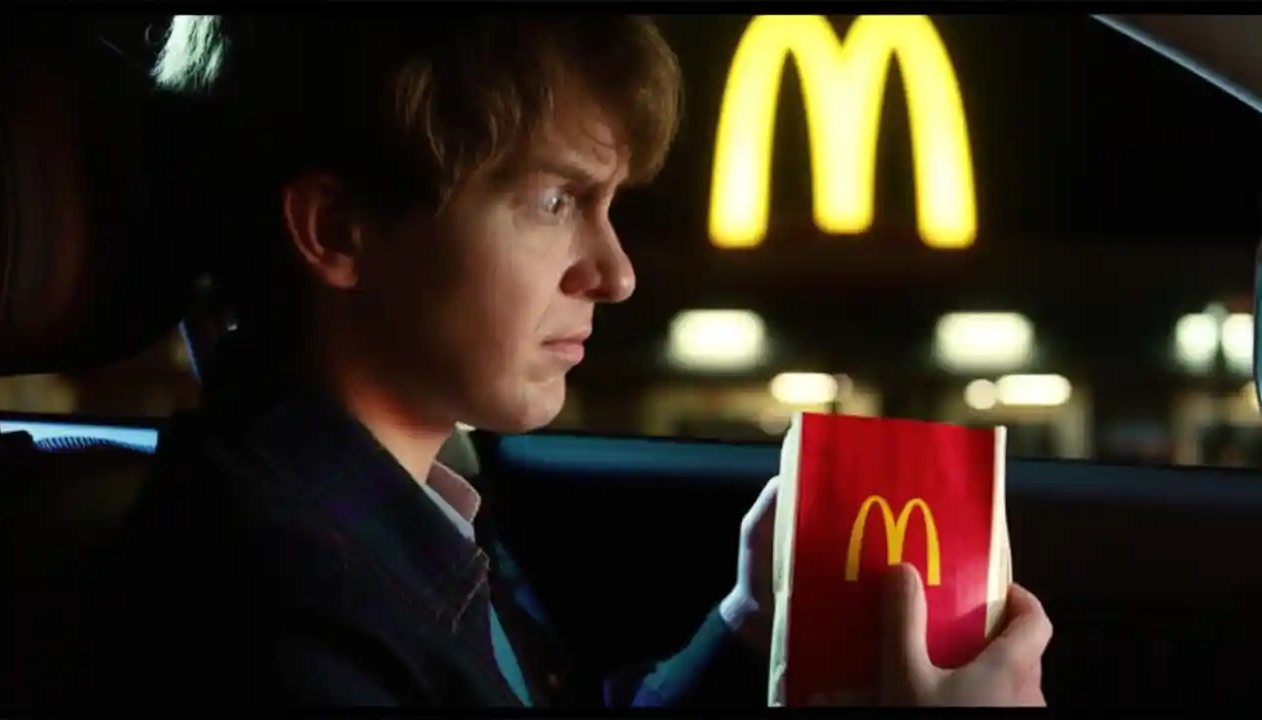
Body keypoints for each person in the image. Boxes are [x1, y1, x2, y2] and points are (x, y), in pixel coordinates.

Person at [67, 14, 1051, 707]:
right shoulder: (273, 613)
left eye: (607, 205)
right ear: (335, 230)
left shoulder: (396, 504)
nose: (614, 273)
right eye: (552, 203)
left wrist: (752, 621)